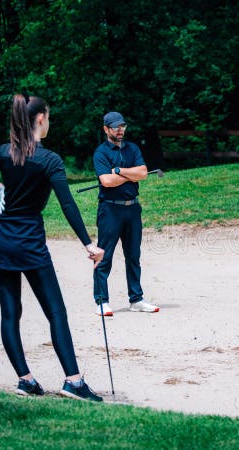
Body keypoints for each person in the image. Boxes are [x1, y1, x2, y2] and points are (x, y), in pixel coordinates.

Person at [0, 93, 104, 401]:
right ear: (40, 119)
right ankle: (74, 383)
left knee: (10, 314)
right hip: (30, 245)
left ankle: (25, 380)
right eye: (48, 116)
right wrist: (88, 244)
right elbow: (67, 203)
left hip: (1, 241)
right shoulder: (49, 159)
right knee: (56, 312)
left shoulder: (3, 152)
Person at [91, 111, 159, 316]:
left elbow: (143, 173)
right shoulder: (101, 152)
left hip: (132, 208)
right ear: (106, 129)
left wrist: (120, 171)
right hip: (110, 209)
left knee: (133, 255)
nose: (120, 130)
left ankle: (136, 299)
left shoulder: (133, 148)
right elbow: (107, 181)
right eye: (115, 127)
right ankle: (102, 301)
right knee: (105, 256)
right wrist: (132, 174)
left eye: (122, 126)